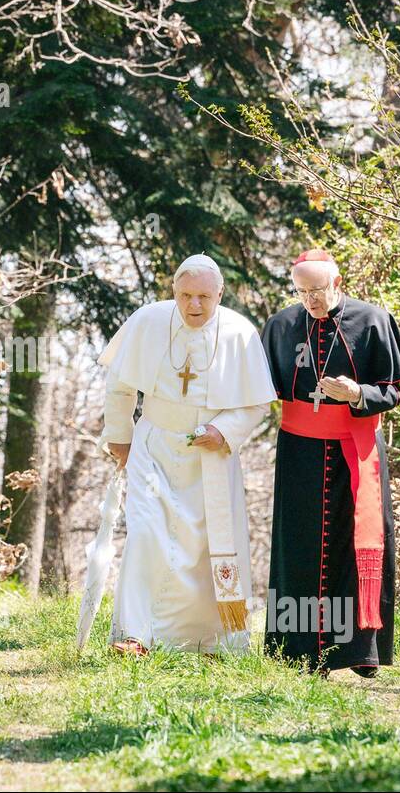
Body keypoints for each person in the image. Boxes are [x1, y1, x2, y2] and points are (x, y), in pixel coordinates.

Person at [95, 254, 276, 656]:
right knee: (145, 534)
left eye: (204, 298)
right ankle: (136, 635)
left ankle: (211, 641)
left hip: (210, 456)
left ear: (220, 294)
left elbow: (255, 404)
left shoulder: (239, 333)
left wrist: (222, 430)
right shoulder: (148, 321)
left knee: (206, 547)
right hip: (153, 445)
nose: (194, 306)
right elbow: (120, 385)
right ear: (173, 292)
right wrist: (120, 437)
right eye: (185, 296)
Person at [260, 249, 400, 677]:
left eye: (318, 290)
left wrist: (357, 394)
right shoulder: (280, 325)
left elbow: (393, 393)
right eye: (302, 291)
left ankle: (358, 652)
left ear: (337, 282)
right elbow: (259, 388)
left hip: (356, 447)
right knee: (300, 547)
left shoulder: (372, 321)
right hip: (299, 451)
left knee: (356, 545)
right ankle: (300, 652)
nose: (311, 300)